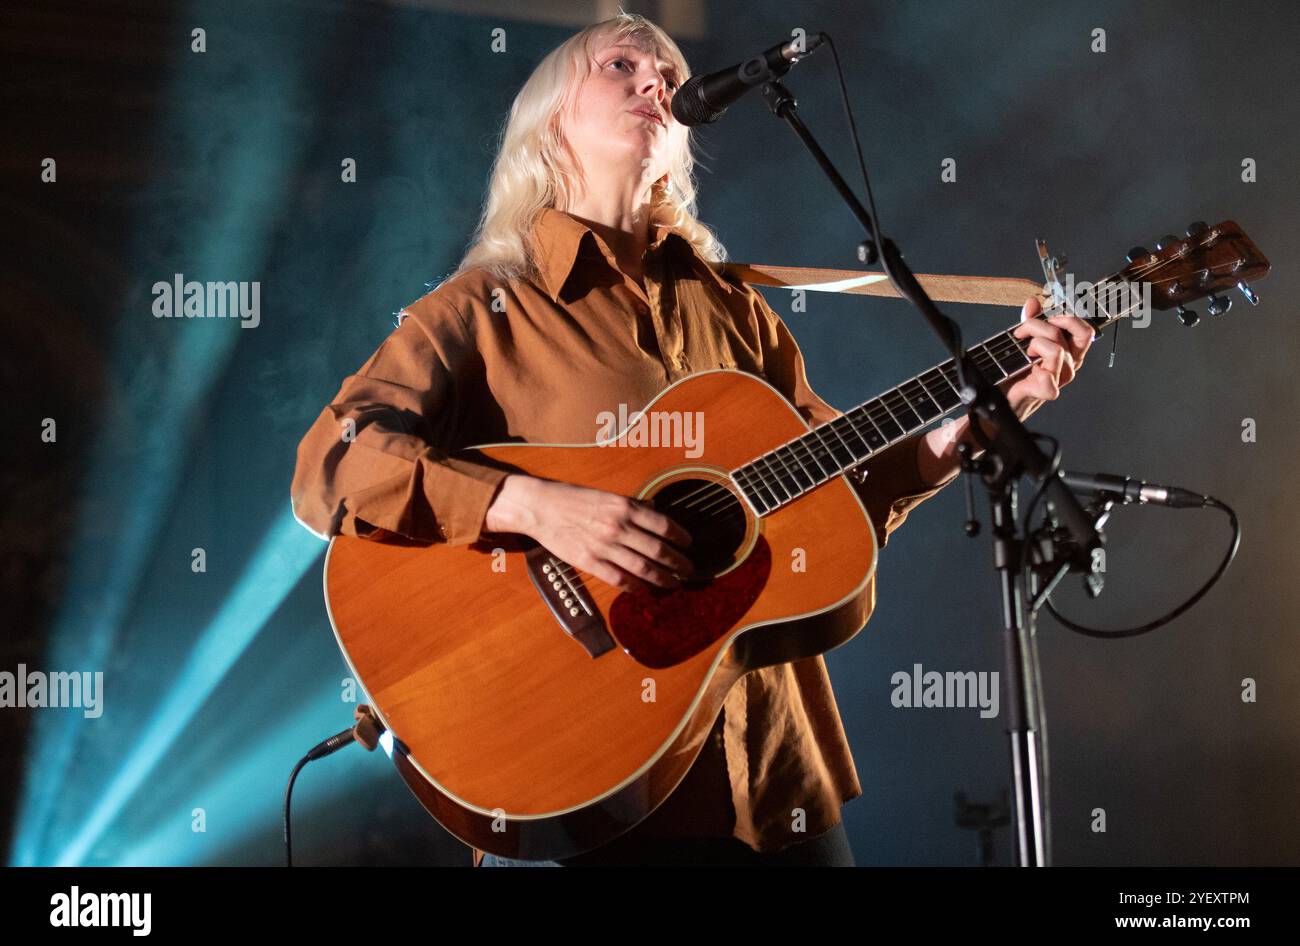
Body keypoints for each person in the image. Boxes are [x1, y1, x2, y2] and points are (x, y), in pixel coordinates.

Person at [289, 13, 1094, 867]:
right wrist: (535, 507)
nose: (656, 83)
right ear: (550, 118)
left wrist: (970, 429)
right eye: (622, 65)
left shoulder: (736, 312)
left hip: (770, 774)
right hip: (575, 768)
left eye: (668, 74)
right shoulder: (483, 306)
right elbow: (330, 465)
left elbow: (833, 501)